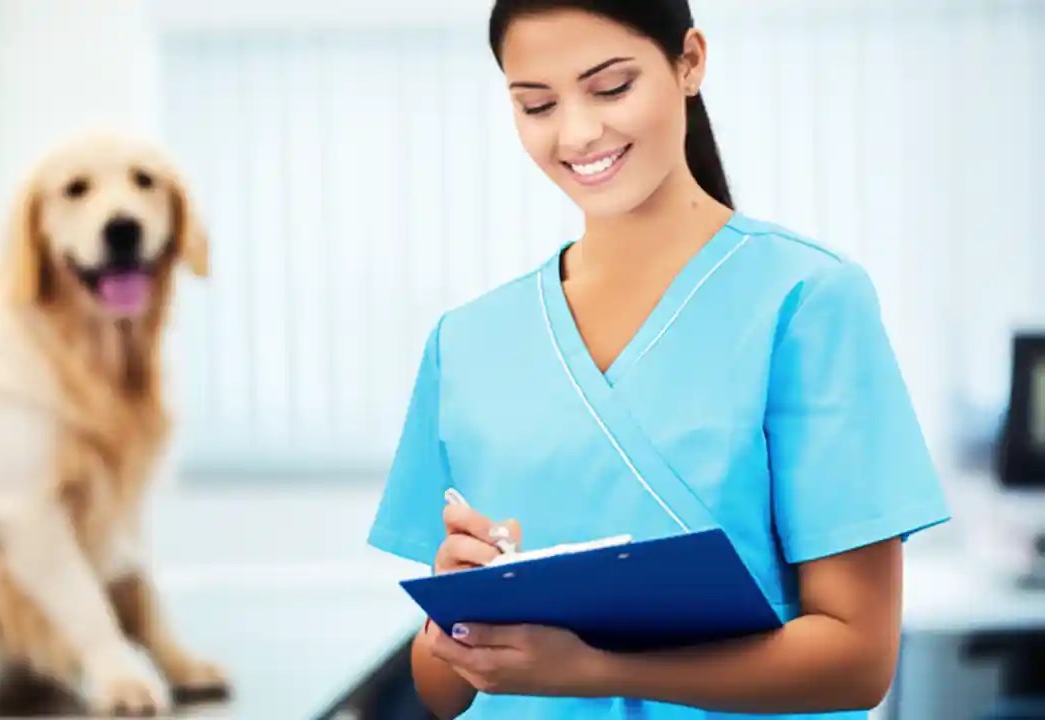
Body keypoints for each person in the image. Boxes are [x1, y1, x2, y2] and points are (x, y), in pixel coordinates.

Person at [365, 1, 952, 719]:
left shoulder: (806, 300)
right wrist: (453, 618)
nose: (577, 132)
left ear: (690, 61)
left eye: (611, 88)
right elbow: (441, 689)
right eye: (537, 104)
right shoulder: (467, 341)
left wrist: (594, 669)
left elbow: (857, 663)